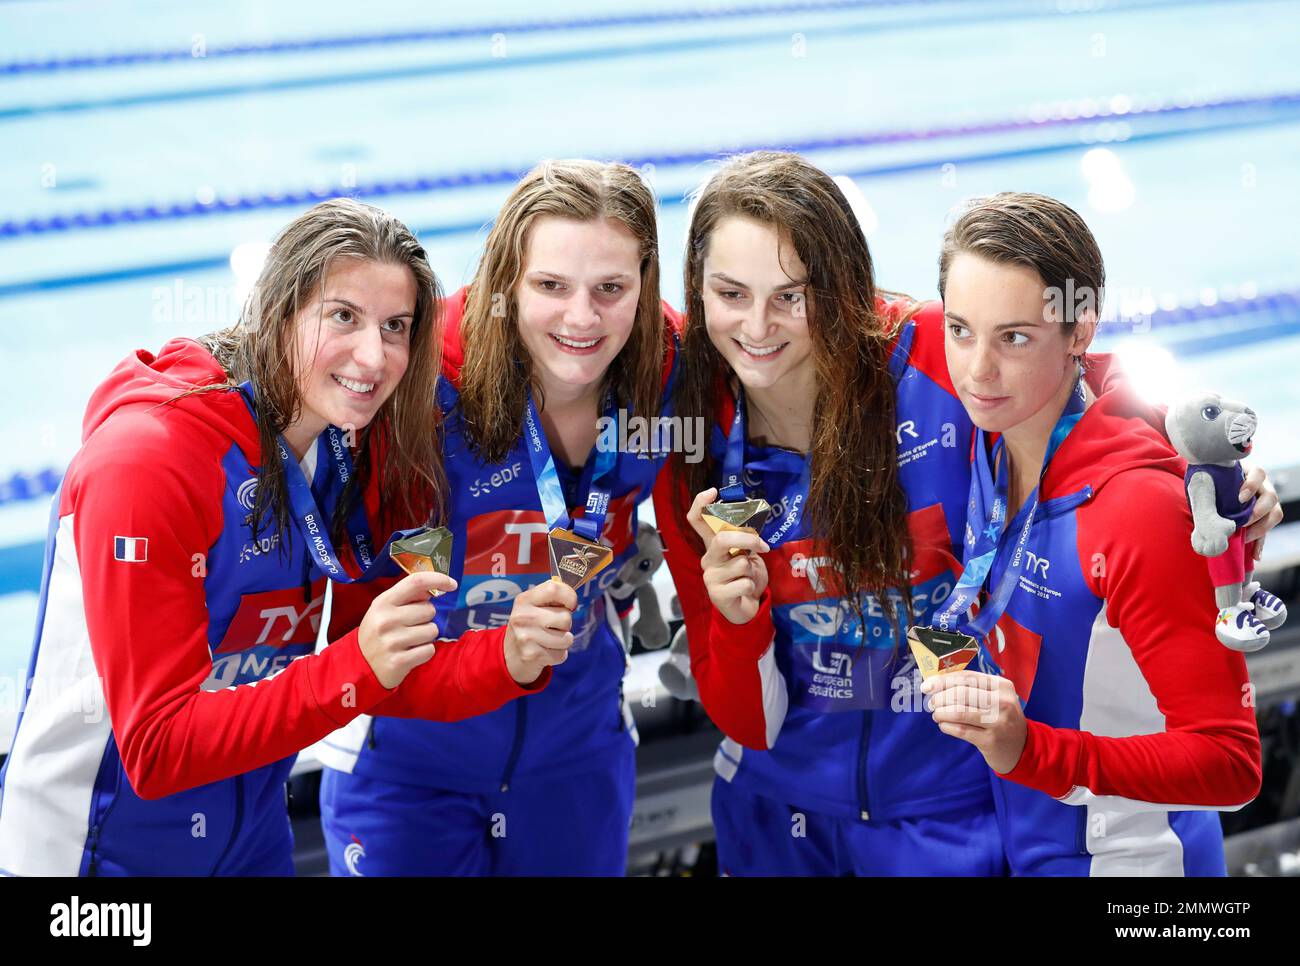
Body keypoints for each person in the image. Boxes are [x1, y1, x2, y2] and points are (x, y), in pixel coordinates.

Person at [0, 199, 550, 877]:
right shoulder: (147, 465)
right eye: (343, 316)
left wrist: (508, 657)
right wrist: (354, 666)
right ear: (278, 312)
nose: (374, 356)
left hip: (253, 845)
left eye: (396, 326)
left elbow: (381, 671)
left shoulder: (339, 447)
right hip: (93, 856)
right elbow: (158, 750)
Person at [318, 160, 680, 876]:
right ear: (506, 281)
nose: (582, 318)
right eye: (551, 286)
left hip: (575, 752)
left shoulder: (669, 370)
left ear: (645, 283)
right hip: (407, 762)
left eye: (611, 288)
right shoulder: (413, 378)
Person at [654, 152, 1006, 876]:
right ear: (697, 288)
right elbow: (748, 722)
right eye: (730, 293)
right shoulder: (691, 441)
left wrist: (1210, 477)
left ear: (842, 285)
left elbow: (1088, 396)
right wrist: (737, 620)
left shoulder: (939, 359)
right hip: (777, 820)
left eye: (791, 296)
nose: (757, 326)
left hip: (953, 813)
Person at [923, 192, 1266, 875]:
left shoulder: (1137, 511)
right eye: (960, 330)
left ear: (1080, 331)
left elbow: (1232, 764)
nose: (977, 370)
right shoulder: (992, 434)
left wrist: (1035, 753)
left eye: (1014, 337)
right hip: (1033, 847)